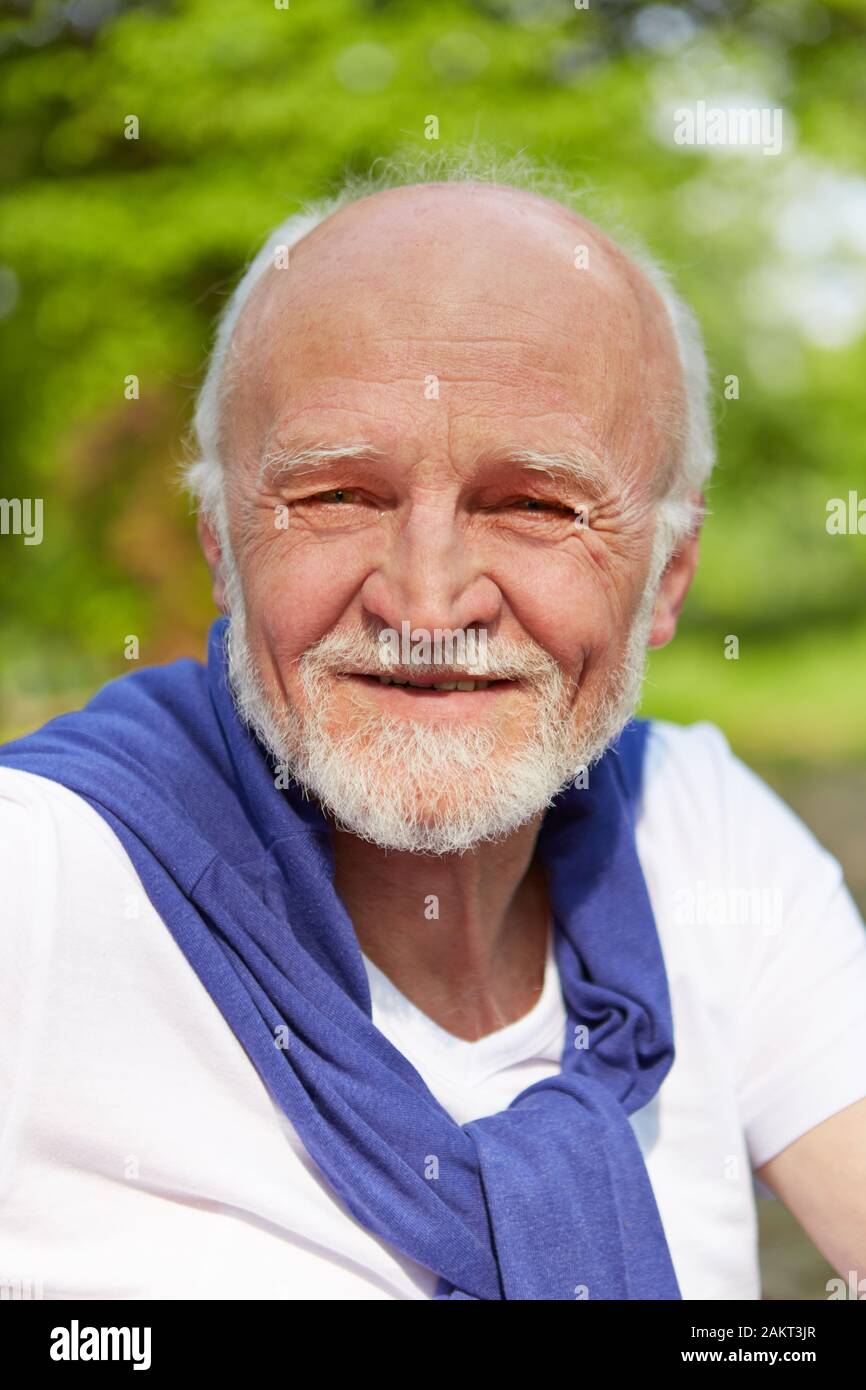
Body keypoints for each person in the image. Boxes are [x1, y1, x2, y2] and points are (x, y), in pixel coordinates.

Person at [1, 155, 865, 1301]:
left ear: (667, 572)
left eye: (531, 505)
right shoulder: (44, 875)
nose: (424, 603)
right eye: (337, 496)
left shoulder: (692, 833)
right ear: (221, 545)